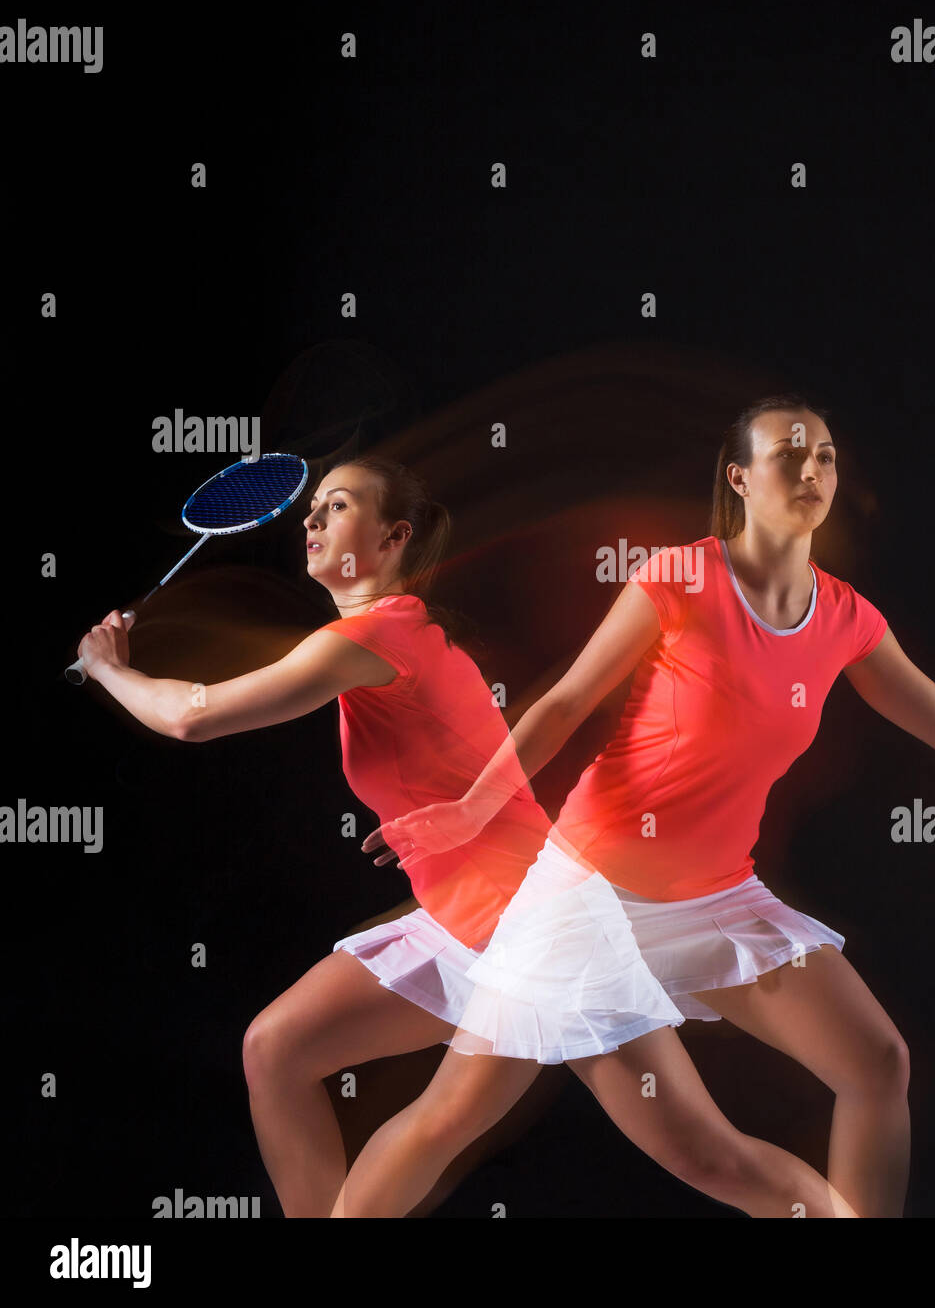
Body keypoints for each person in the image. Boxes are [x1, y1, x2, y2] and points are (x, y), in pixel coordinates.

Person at [345, 393, 935, 1219]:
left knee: (878, 1063)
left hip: (716, 895)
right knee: (466, 1120)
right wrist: (474, 810)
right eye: (788, 454)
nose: (811, 470)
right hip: (586, 895)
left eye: (827, 457)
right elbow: (561, 705)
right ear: (739, 476)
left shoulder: (845, 618)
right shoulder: (681, 576)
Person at [76, 454, 848, 1219]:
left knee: (705, 1155)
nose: (310, 519)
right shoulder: (390, 635)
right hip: (466, 922)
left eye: (337, 506)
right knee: (277, 1049)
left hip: (540, 928)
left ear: (392, 538)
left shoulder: (376, 640)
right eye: (311, 509)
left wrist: (107, 666)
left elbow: (192, 714)